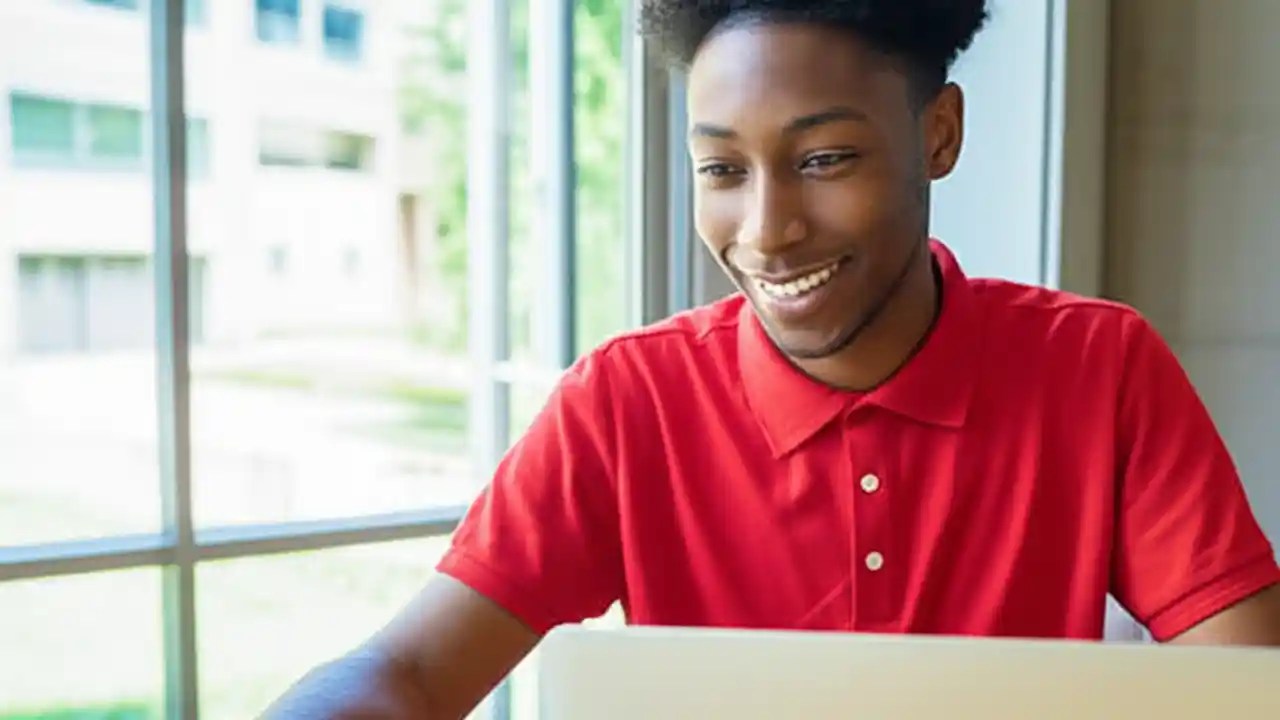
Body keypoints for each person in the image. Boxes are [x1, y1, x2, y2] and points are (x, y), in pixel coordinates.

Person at [267, 1, 1280, 717]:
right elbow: (402, 675)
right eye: (720, 169)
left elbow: (1248, 688)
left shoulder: (1098, 367)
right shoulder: (628, 401)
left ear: (937, 133)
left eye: (823, 159)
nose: (765, 230)